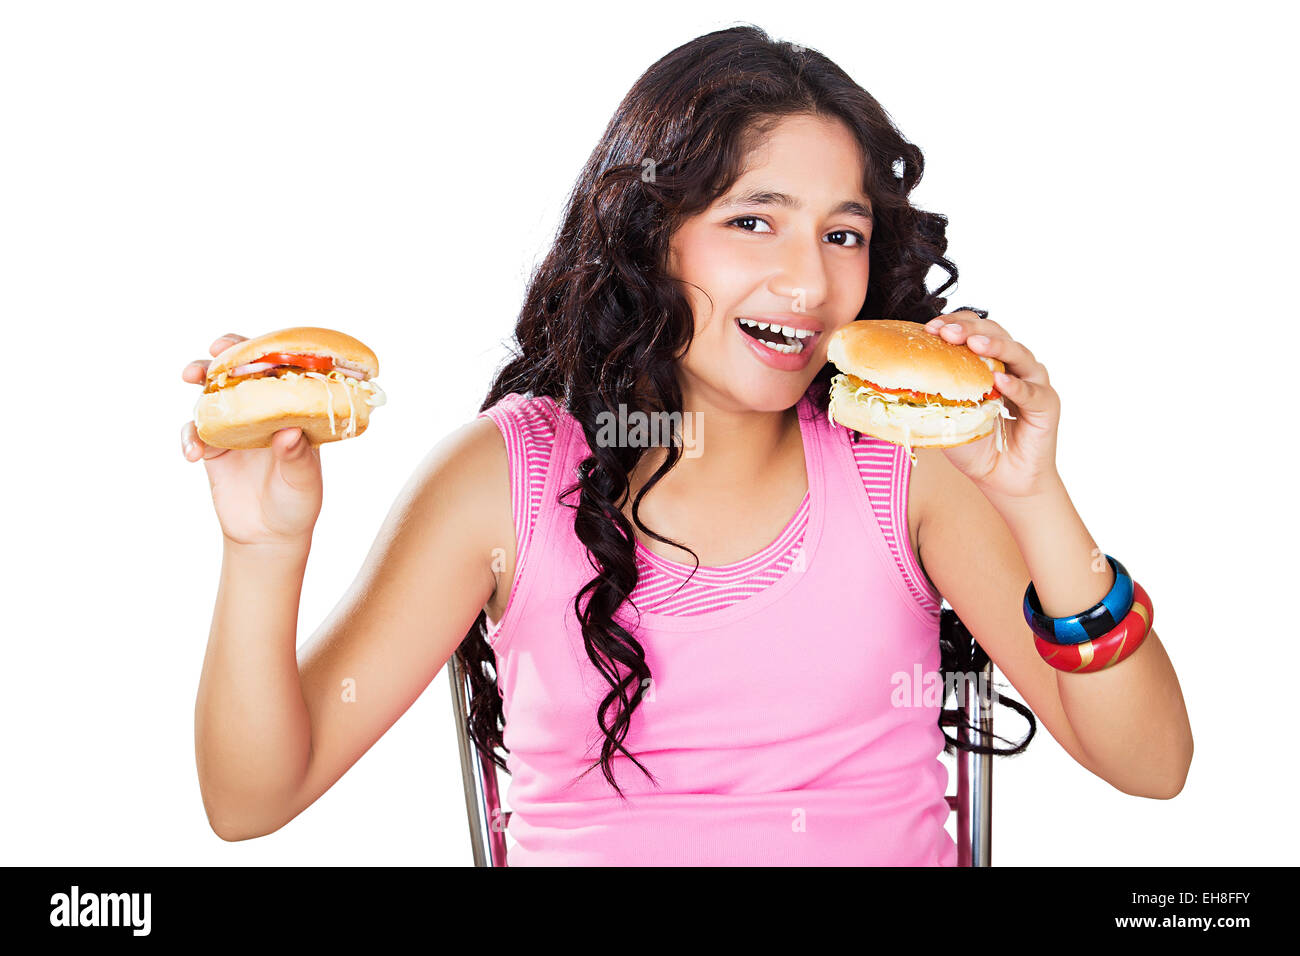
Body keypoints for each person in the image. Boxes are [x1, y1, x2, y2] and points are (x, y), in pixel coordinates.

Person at [182, 24, 1193, 865]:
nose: (807, 281)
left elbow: (1151, 763)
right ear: (649, 233)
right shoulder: (502, 481)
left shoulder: (905, 466)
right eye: (755, 222)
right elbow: (251, 800)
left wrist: (1034, 498)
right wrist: (262, 548)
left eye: (842, 234)